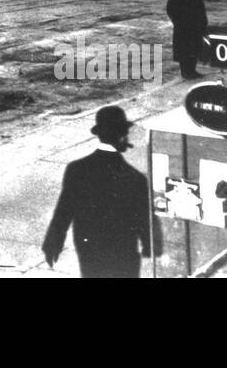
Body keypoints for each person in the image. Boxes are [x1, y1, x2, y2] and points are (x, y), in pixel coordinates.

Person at [42, 106, 155, 278]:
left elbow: (63, 211)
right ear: (122, 136)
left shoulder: (76, 169)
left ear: (100, 134)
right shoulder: (135, 177)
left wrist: (53, 243)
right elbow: (143, 217)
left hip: (88, 246)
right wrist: (149, 245)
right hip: (123, 250)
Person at [166, 0, 208, 79]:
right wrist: (177, 23)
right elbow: (170, 10)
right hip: (182, 28)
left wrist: (203, 25)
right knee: (183, 51)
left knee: (194, 49)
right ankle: (185, 72)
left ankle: (192, 70)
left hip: (195, 27)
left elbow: (202, 11)